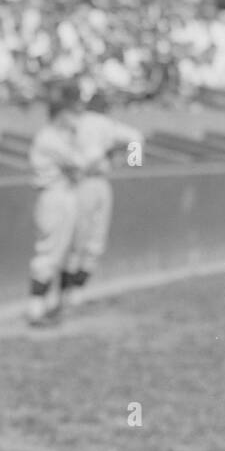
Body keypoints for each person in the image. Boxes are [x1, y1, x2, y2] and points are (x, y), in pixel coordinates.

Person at [64, 93, 142, 305]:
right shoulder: (101, 123)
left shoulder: (78, 122)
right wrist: (129, 161)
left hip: (81, 181)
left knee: (78, 239)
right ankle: (75, 291)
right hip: (94, 180)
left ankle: (66, 291)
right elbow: (136, 137)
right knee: (92, 239)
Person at [26, 80, 85, 326]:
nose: (75, 117)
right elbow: (79, 162)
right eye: (71, 113)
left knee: (62, 251)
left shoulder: (59, 136)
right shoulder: (49, 137)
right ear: (60, 114)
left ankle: (49, 305)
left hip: (63, 193)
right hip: (53, 195)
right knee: (48, 252)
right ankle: (35, 309)